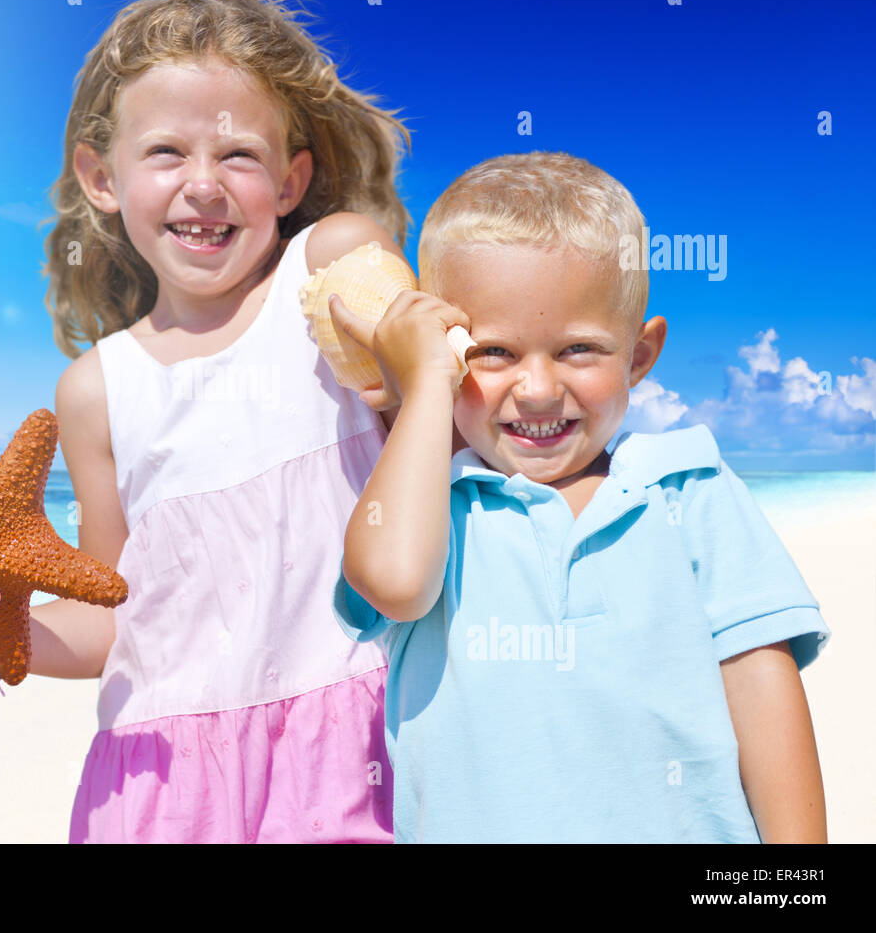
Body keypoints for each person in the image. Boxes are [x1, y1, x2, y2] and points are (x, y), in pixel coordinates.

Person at [0, 0, 412, 842]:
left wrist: (409, 368)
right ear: (102, 179)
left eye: (241, 156)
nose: (205, 185)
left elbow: (434, 396)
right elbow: (111, 610)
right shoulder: (97, 390)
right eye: (167, 152)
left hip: (351, 740)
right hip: (160, 778)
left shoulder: (329, 270)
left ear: (292, 182)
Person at [331, 151, 830, 842]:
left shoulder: (687, 488)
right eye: (492, 353)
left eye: (577, 351)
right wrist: (421, 391)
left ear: (640, 355)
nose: (537, 389)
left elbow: (761, 693)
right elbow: (395, 583)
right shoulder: (433, 508)